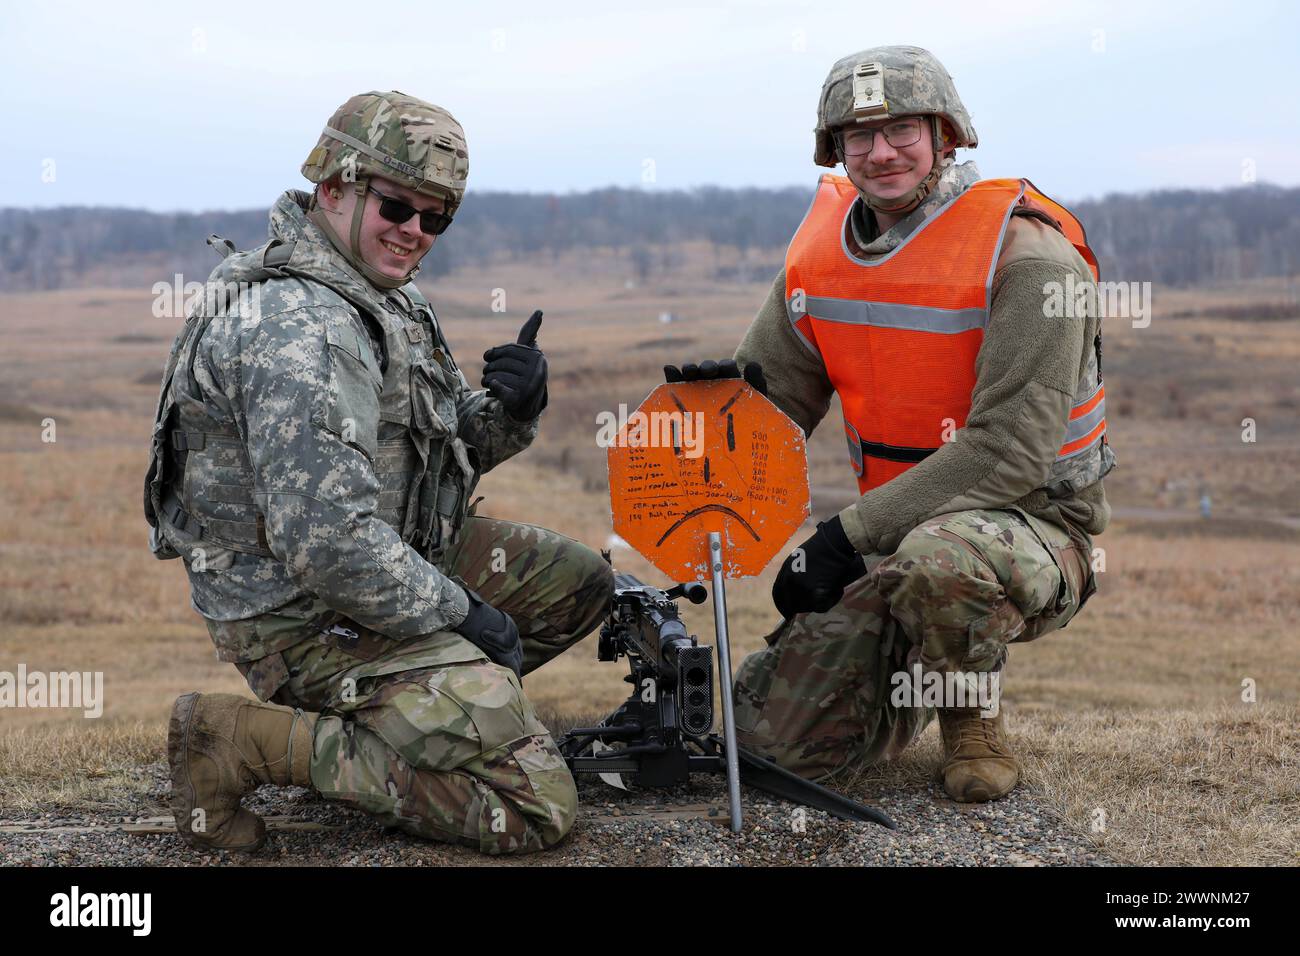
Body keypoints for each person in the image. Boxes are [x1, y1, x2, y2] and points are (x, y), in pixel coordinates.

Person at [144, 91, 613, 854]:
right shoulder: (299, 327)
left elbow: (430, 456)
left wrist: (511, 408)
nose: (416, 234)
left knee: (582, 583)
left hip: (387, 561)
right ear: (335, 188)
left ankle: (421, 718)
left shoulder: (376, 290)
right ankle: (244, 740)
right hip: (302, 613)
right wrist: (460, 613)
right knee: (533, 808)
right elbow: (328, 547)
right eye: (398, 207)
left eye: (437, 219)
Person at [667, 46, 1114, 801]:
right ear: (834, 149)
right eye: (856, 136)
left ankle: (968, 712)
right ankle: (890, 666)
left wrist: (844, 539)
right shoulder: (820, 253)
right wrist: (716, 422)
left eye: (901, 128)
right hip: (894, 530)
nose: (880, 153)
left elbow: (1009, 453)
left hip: (1029, 524)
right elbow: (774, 398)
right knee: (768, 749)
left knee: (938, 562)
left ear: (945, 134)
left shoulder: (1031, 260)